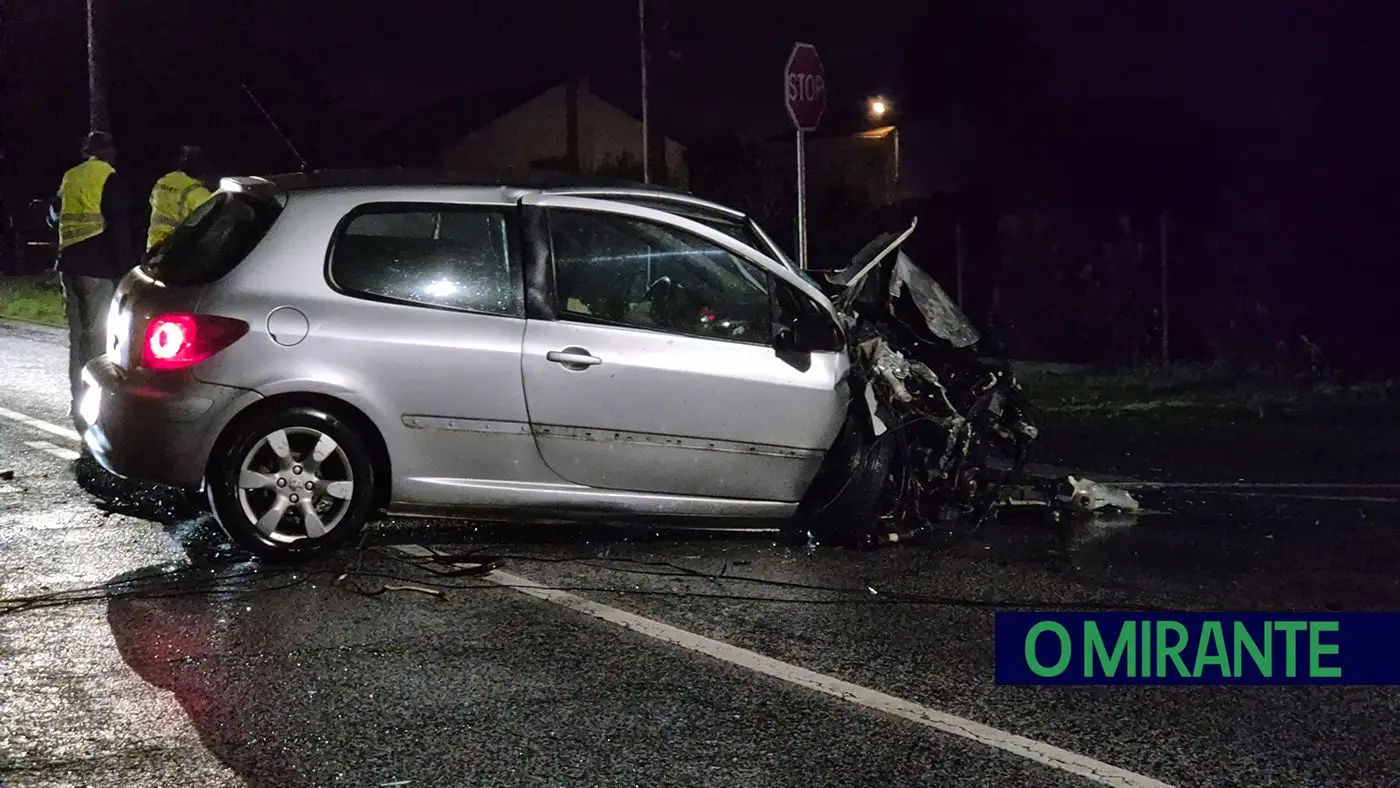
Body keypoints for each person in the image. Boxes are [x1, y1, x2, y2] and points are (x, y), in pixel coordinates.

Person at [50, 131, 133, 431]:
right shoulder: (109, 177)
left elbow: (53, 214)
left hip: (67, 266)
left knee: (78, 339)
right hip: (97, 268)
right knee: (98, 339)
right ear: (108, 152)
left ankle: (77, 401)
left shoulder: (71, 176)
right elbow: (118, 229)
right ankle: (96, 408)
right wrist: (127, 272)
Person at [146, 145, 213, 252]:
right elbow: (210, 226)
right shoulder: (198, 193)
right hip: (176, 254)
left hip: (153, 247)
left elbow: (152, 203)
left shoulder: (163, 182)